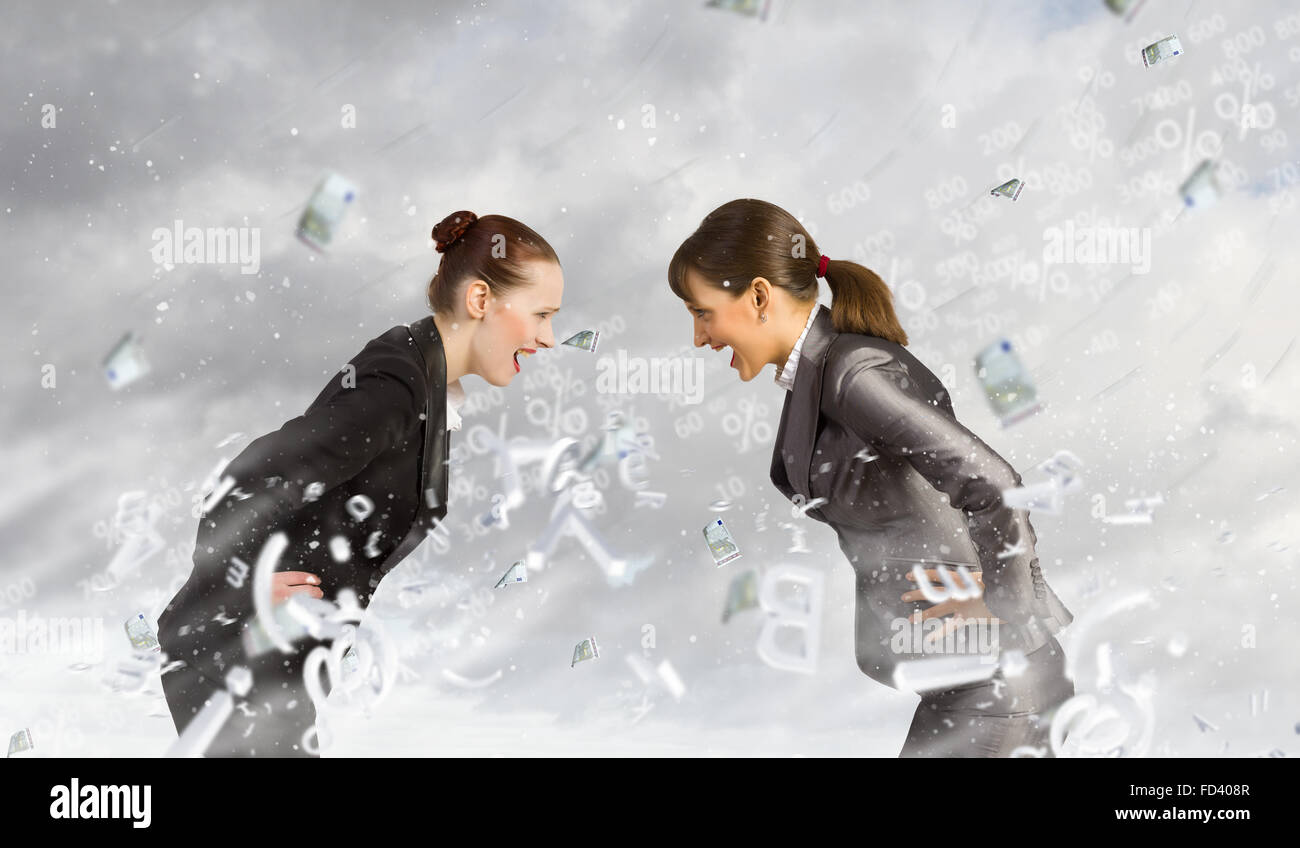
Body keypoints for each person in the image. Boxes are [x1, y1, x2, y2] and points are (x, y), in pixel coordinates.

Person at [667, 198, 1075, 757]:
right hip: (969, 681)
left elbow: (995, 484)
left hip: (996, 684)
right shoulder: (821, 377)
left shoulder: (853, 374)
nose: (698, 337)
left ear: (759, 296)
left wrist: (1002, 605)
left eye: (702, 312)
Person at [157, 210, 564, 756]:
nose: (549, 338)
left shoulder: (422, 382)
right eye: (541, 315)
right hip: (231, 665)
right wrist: (246, 582)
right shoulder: (397, 387)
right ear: (481, 301)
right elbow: (245, 480)